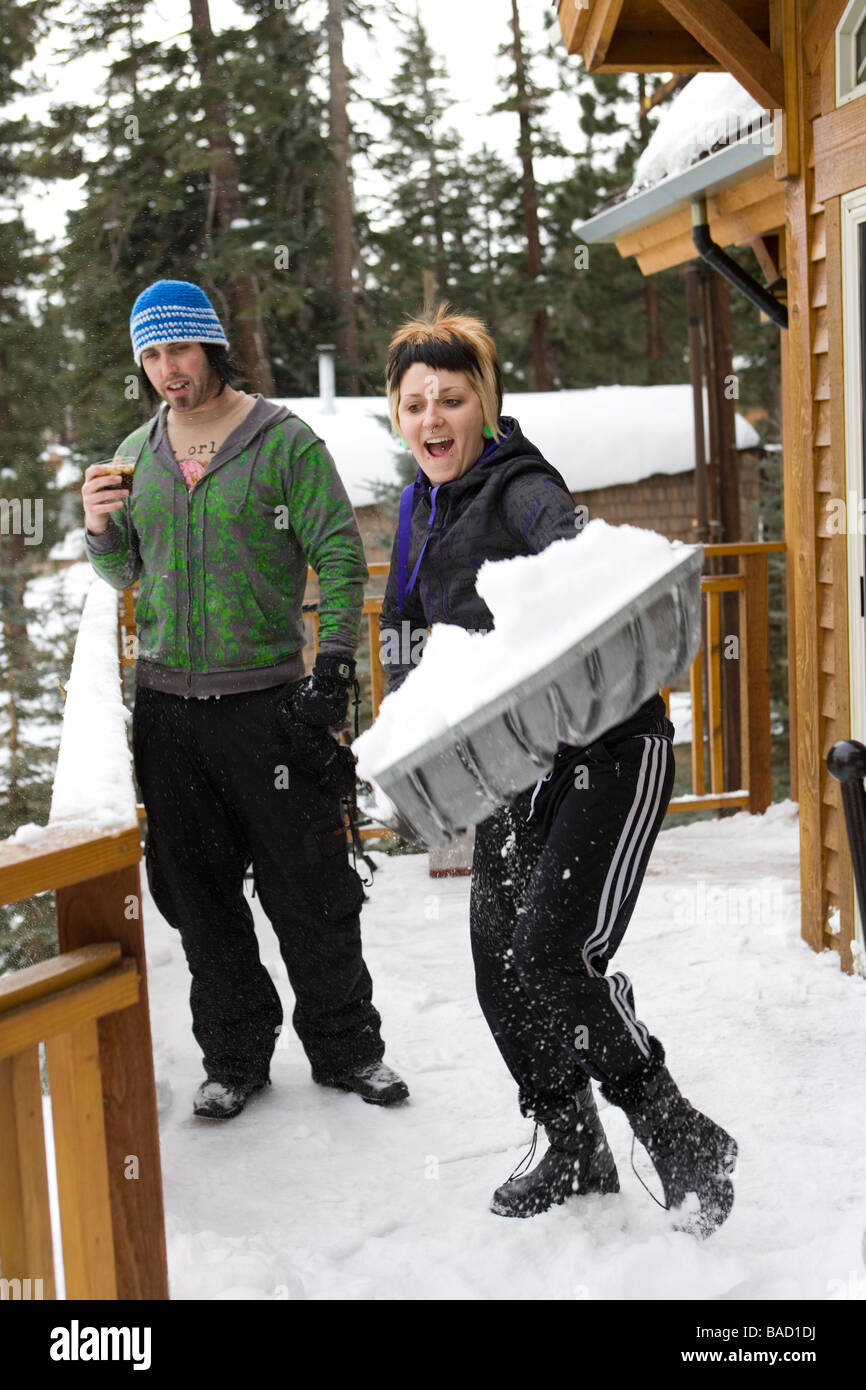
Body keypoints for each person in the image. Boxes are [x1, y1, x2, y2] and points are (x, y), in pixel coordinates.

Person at [377, 305, 736, 1237]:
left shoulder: (520, 487)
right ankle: (568, 1141)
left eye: (451, 398)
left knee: (552, 955)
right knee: (501, 968)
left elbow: (588, 566)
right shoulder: (419, 507)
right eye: (415, 403)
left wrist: (581, 569)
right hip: (511, 768)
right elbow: (406, 635)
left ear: (484, 403)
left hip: (609, 755)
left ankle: (677, 1131)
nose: (432, 419)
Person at [82, 278, 408, 1120]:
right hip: (167, 712)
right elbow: (126, 575)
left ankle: (348, 1051)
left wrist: (332, 668)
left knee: (312, 889)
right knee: (198, 896)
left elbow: (339, 555)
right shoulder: (136, 451)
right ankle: (234, 1056)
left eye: (178, 349)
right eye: (150, 355)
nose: (165, 369)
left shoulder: (281, 441)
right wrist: (98, 530)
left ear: (213, 347)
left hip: (269, 707)